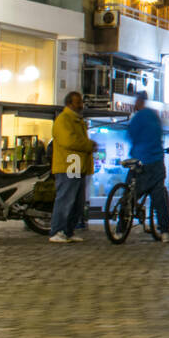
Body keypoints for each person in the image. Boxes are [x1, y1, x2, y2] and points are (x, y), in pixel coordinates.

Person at [51, 92, 97, 242]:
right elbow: (69, 141)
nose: (81, 105)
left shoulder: (77, 120)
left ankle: (68, 231)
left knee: (77, 201)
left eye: (81, 102)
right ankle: (58, 231)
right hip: (69, 164)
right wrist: (89, 145)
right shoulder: (64, 120)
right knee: (66, 199)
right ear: (69, 104)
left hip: (77, 164)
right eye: (78, 102)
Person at [127, 91, 169, 243]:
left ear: (138, 102)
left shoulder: (137, 118)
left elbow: (130, 135)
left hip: (139, 161)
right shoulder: (154, 116)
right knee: (159, 199)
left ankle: (121, 228)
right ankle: (164, 231)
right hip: (156, 161)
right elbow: (159, 134)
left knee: (129, 196)